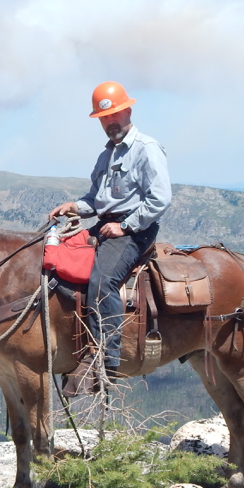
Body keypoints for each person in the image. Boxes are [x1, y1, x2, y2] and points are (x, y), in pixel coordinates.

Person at [49, 81, 172, 388]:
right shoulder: (106, 155)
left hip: (134, 231)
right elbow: (94, 199)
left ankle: (106, 361)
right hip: (104, 224)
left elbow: (159, 199)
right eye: (104, 117)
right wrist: (72, 206)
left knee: (102, 281)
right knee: (58, 255)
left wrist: (126, 226)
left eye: (114, 114)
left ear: (128, 110)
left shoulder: (146, 149)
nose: (110, 121)